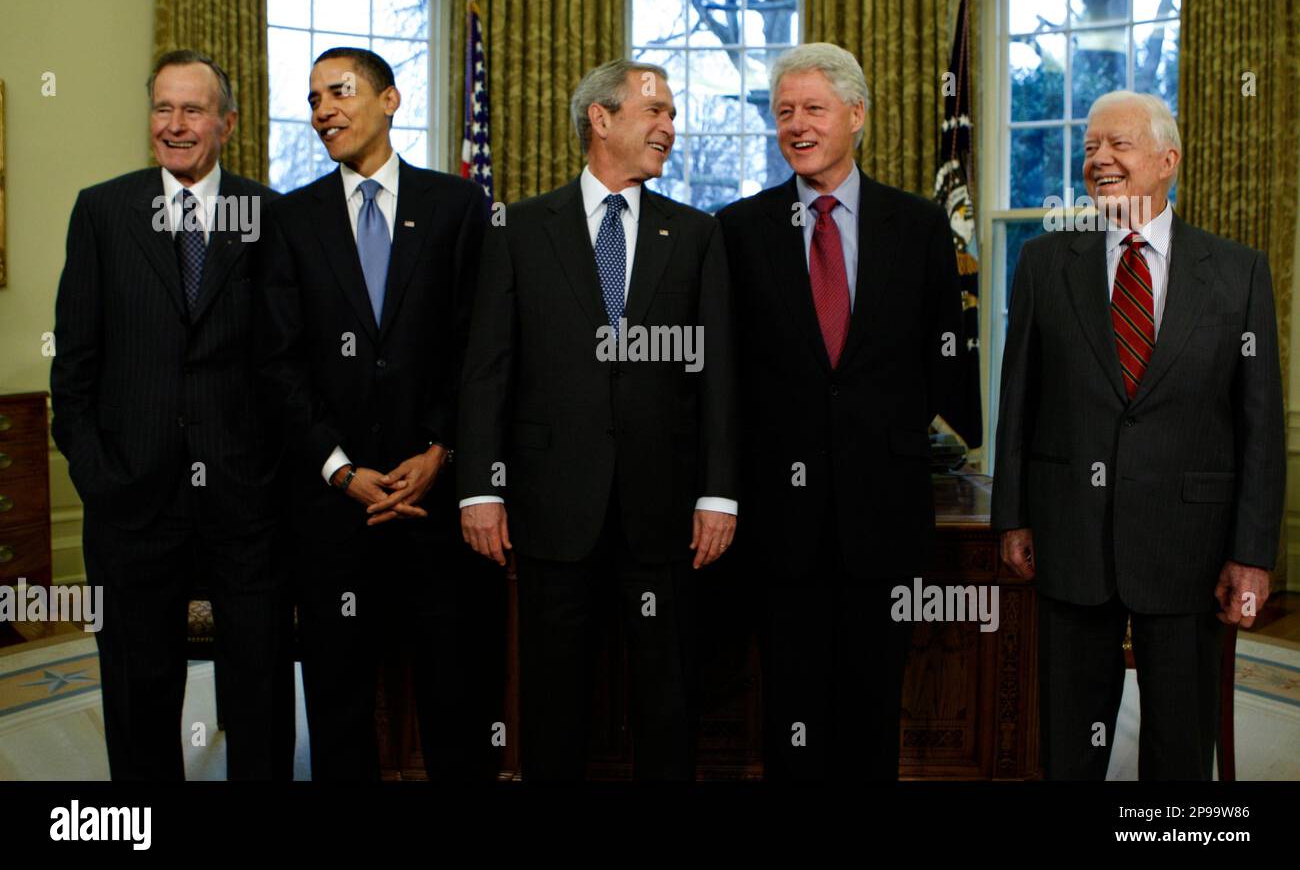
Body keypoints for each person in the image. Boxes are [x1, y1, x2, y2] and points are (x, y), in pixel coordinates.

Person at [458, 58, 738, 780]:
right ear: (601, 118)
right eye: (656, 112)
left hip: (666, 512)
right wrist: (480, 490)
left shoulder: (697, 234)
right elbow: (488, 369)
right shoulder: (517, 228)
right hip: (552, 507)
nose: (670, 128)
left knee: (666, 702)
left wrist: (718, 492)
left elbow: (719, 376)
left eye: (673, 114)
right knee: (553, 705)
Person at [991, 90, 1284, 780]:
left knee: (1180, 746)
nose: (1099, 160)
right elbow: (1018, 403)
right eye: (1091, 147)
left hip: (1191, 548)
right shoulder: (1044, 263)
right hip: (1071, 541)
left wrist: (1253, 553)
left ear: (1166, 160)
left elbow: (1261, 422)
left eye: (1118, 145)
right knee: (1070, 741)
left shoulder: (1237, 273)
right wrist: (1013, 517)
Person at [716, 42, 965, 780]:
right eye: (783, 111)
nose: (796, 124)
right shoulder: (738, 229)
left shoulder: (918, 225)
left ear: (856, 115)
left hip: (883, 513)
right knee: (789, 705)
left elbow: (943, 353)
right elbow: (724, 372)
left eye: (813, 109)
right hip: (778, 520)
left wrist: (894, 436)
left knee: (873, 700)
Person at [256, 47, 502, 780]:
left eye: (339, 92)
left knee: (453, 699)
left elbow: (477, 347)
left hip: (437, 506)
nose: (323, 110)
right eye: (312, 99)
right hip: (335, 513)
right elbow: (277, 361)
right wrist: (339, 469)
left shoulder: (457, 206)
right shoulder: (290, 218)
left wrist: (441, 451)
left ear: (390, 101)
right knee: (338, 705)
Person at [51, 49, 293, 780]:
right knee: (137, 689)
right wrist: (99, 476)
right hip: (132, 500)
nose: (176, 124)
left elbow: (289, 362)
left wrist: (274, 475)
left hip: (245, 502)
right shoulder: (102, 211)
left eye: (193, 110)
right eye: (163, 108)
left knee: (260, 689)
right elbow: (75, 367)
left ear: (227, 122)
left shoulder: (271, 215)